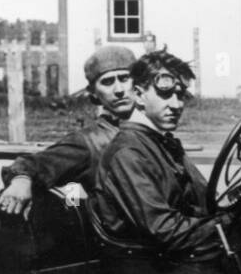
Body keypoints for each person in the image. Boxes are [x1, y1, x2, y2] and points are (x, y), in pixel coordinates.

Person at [93, 49, 227, 261]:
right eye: (165, 94)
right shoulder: (128, 153)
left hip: (181, 262)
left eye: (181, 95)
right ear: (138, 95)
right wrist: (230, 223)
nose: (176, 105)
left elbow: (205, 201)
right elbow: (165, 230)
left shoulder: (161, 143)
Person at [0, 44, 136, 217]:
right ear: (94, 94)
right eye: (107, 82)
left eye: (124, 78)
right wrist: (21, 179)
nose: (119, 90)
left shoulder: (156, 131)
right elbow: (32, 164)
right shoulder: (91, 141)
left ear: (138, 83)